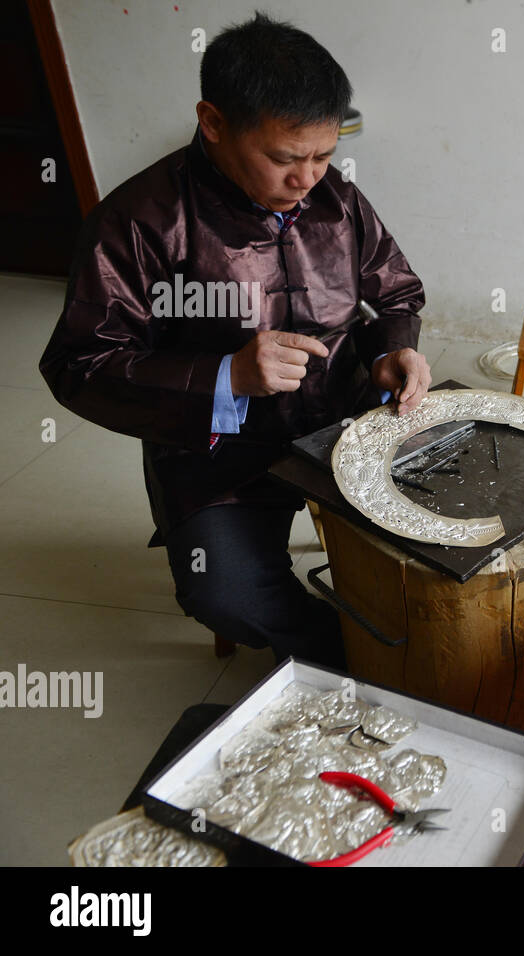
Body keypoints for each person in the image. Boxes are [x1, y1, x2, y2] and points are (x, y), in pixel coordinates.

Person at [39, 12, 432, 668]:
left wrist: (393, 349)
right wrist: (226, 377)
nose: (308, 178)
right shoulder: (139, 221)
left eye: (324, 154)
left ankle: (413, 637)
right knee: (225, 593)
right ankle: (348, 655)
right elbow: (79, 363)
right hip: (218, 455)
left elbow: (394, 293)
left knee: (451, 525)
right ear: (213, 123)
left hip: (343, 417)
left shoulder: (336, 200)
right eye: (284, 158)